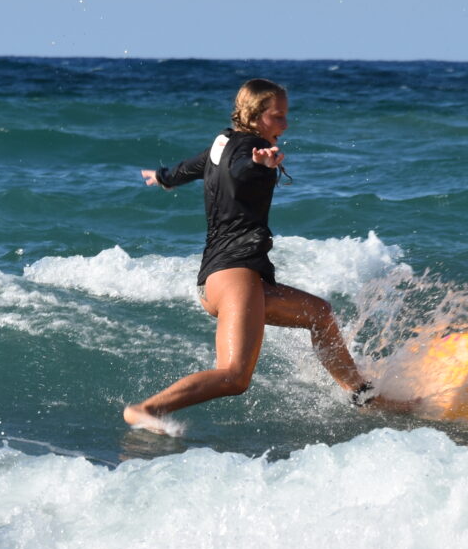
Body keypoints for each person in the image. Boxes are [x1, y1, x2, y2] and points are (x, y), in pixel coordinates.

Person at [124, 78, 389, 433]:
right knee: (234, 376)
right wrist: (261, 164)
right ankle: (146, 409)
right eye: (278, 117)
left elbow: (195, 166)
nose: (285, 125)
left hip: (222, 275)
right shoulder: (249, 150)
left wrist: (164, 176)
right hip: (234, 274)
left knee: (319, 314)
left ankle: (365, 400)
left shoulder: (224, 141)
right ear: (255, 115)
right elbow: (240, 170)